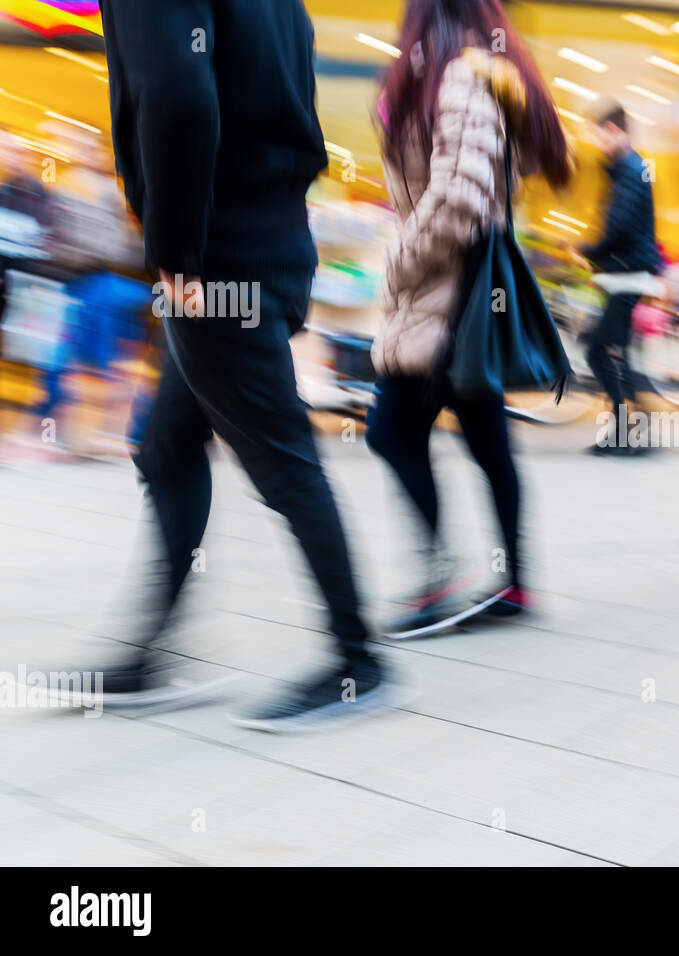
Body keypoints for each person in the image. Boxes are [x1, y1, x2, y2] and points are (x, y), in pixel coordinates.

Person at [91, 0, 388, 728]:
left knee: (281, 458)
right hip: (272, 238)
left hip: (215, 260)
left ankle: (359, 662)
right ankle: (147, 659)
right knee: (167, 448)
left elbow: (179, 95)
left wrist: (178, 254)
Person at [365, 0, 573, 635]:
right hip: (454, 293)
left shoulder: (459, 76)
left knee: (392, 431)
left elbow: (460, 195)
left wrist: (399, 259)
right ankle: (512, 584)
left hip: (447, 293)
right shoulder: (468, 73)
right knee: (485, 438)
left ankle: (441, 582)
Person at [572, 101, 661, 455]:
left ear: (615, 131)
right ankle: (627, 432)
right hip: (626, 272)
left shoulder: (629, 168)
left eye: (598, 135)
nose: (596, 144)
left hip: (629, 275)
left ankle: (631, 430)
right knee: (615, 352)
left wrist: (588, 250)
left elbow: (619, 226)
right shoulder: (626, 167)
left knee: (599, 351)